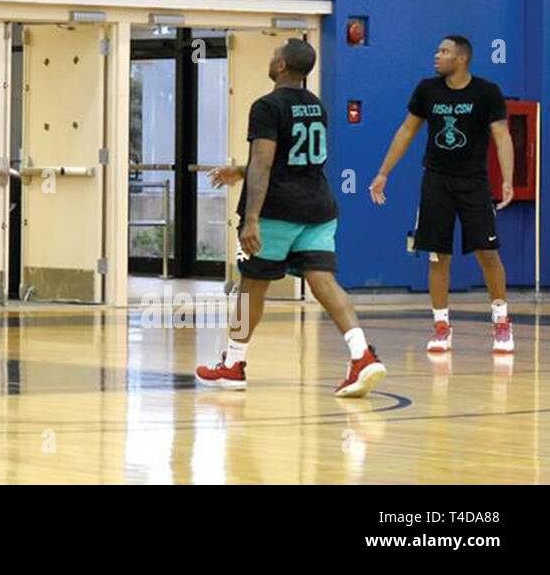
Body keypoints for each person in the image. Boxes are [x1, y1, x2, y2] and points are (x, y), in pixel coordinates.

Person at [196, 39, 386, 398]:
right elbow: (294, 160)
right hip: (318, 209)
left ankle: (233, 364)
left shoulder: (266, 106)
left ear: (281, 65)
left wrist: (251, 218)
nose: (270, 59)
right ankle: (362, 355)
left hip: (277, 213)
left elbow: (266, 163)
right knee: (324, 283)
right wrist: (241, 169)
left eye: (273, 55)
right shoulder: (317, 107)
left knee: (250, 287)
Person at [369, 35, 515, 354]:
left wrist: (507, 179)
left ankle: (502, 323)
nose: (437, 55)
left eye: (444, 51)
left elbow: (502, 137)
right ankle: (441, 326)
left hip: (474, 182)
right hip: (436, 182)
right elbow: (407, 130)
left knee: (487, 253)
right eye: (437, 50)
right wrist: (383, 172)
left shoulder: (486, 92)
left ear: (461, 59)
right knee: (437, 255)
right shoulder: (427, 90)